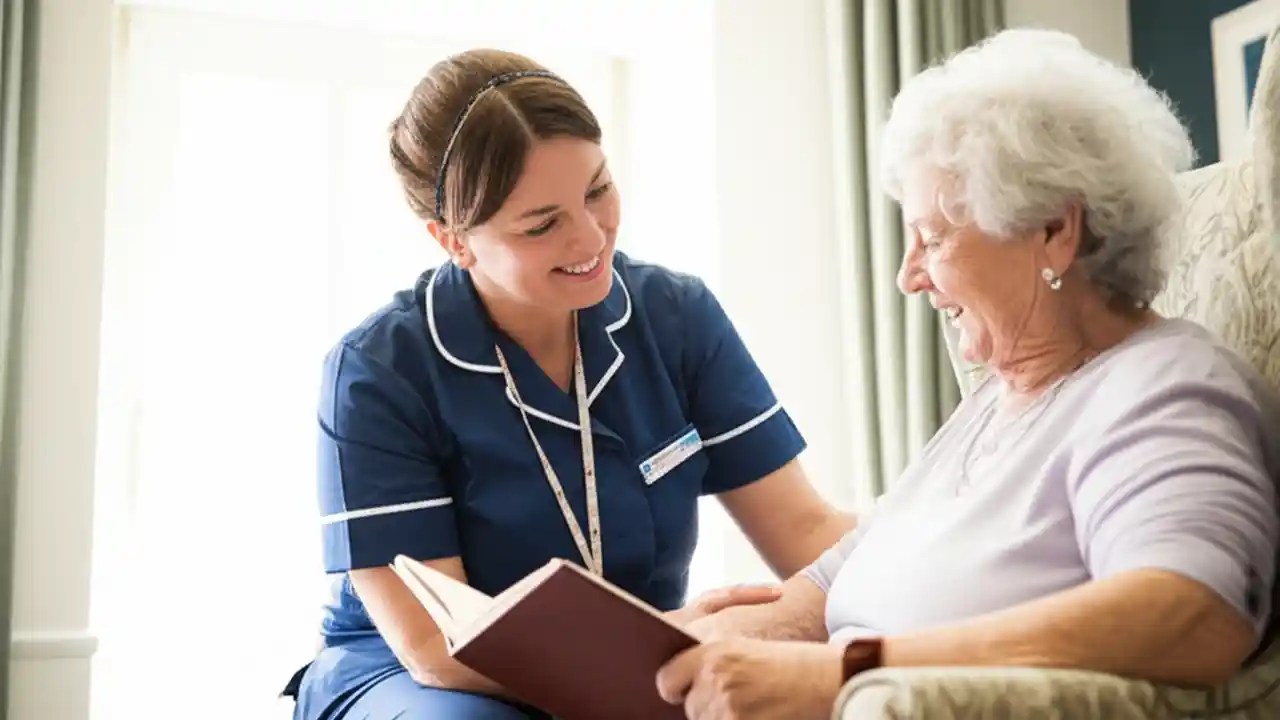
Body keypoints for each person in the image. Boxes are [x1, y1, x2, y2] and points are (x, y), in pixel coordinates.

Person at [654, 29, 1280, 719]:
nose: (908, 275)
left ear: (1054, 231)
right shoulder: (998, 403)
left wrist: (851, 671)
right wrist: (680, 647)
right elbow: (831, 585)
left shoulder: (1163, 388)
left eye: (934, 237)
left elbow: (1194, 612)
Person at [283, 48, 853, 720]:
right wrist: (668, 652)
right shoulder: (377, 372)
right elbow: (434, 645)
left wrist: (941, 577)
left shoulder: (675, 317)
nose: (591, 237)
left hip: (644, 657)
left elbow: (804, 528)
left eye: (598, 190)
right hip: (429, 679)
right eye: (542, 224)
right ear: (453, 241)